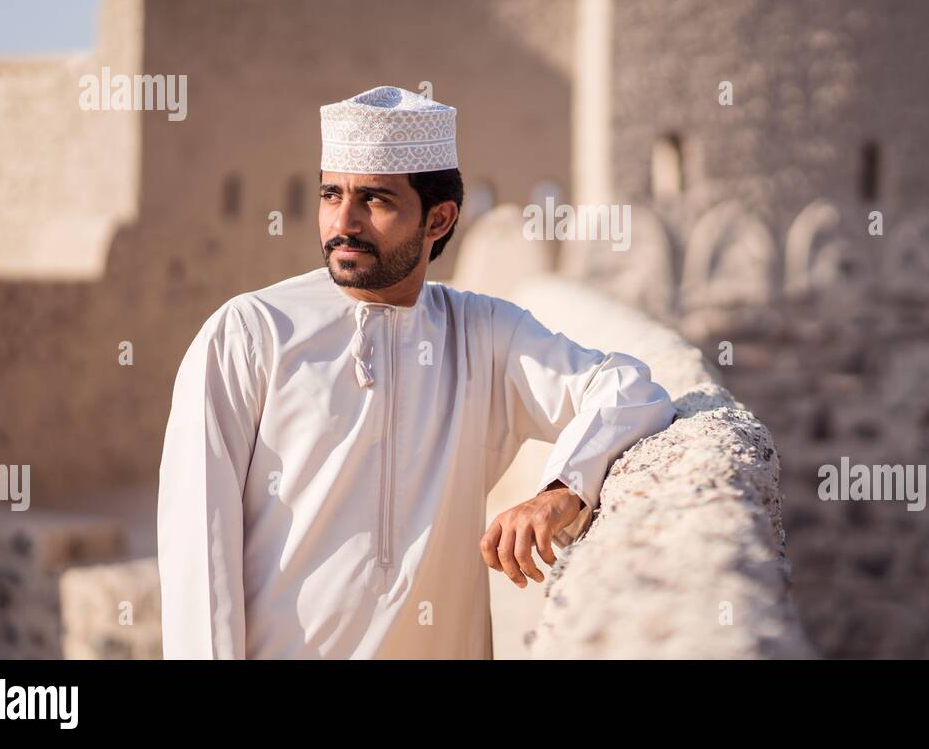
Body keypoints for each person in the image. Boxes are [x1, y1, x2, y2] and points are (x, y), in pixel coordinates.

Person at [156, 85, 677, 658]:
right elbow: (197, 548)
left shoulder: (481, 333)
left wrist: (562, 490)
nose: (344, 222)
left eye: (374, 200)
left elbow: (629, 387)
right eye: (332, 194)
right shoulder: (250, 332)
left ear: (439, 218)